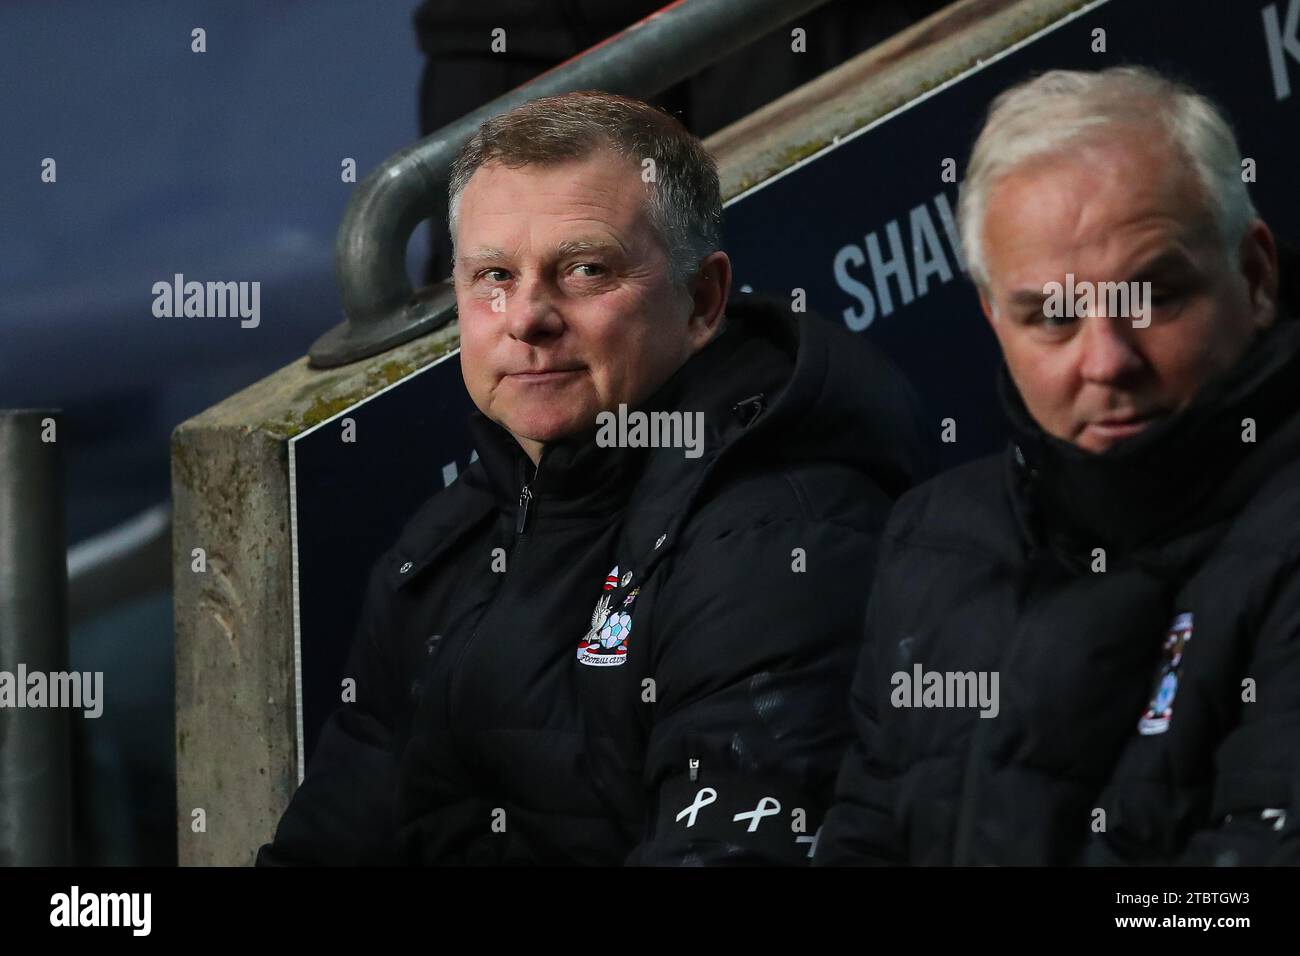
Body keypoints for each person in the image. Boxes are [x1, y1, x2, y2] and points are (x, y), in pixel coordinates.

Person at [258, 91, 928, 865]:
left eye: (584, 270)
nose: (527, 318)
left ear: (702, 300)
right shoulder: (448, 538)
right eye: (494, 275)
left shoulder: (782, 542)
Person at [816, 66, 1300, 866]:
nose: (1107, 361)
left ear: (1253, 277)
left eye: (1153, 296)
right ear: (992, 318)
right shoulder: (931, 540)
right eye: (1053, 316)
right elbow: (864, 833)